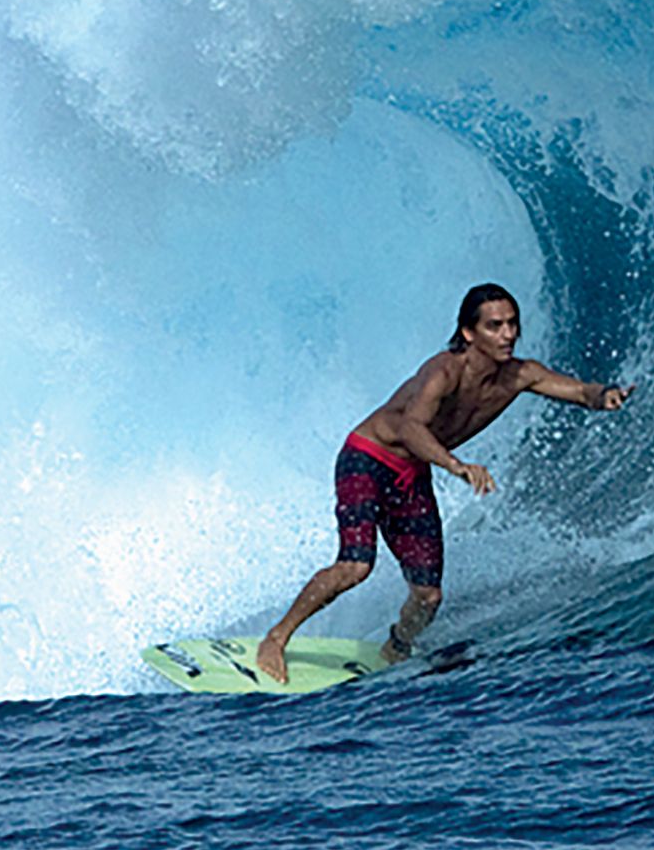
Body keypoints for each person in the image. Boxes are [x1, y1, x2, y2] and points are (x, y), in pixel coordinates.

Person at [255, 283, 632, 683]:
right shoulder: (443, 372)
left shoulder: (520, 374)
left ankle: (396, 646)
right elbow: (410, 428)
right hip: (368, 458)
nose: (507, 334)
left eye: (512, 324)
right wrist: (457, 466)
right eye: (494, 326)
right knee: (355, 566)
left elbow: (579, 390)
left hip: (411, 474)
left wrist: (604, 395)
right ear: (469, 332)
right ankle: (276, 638)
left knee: (428, 596)